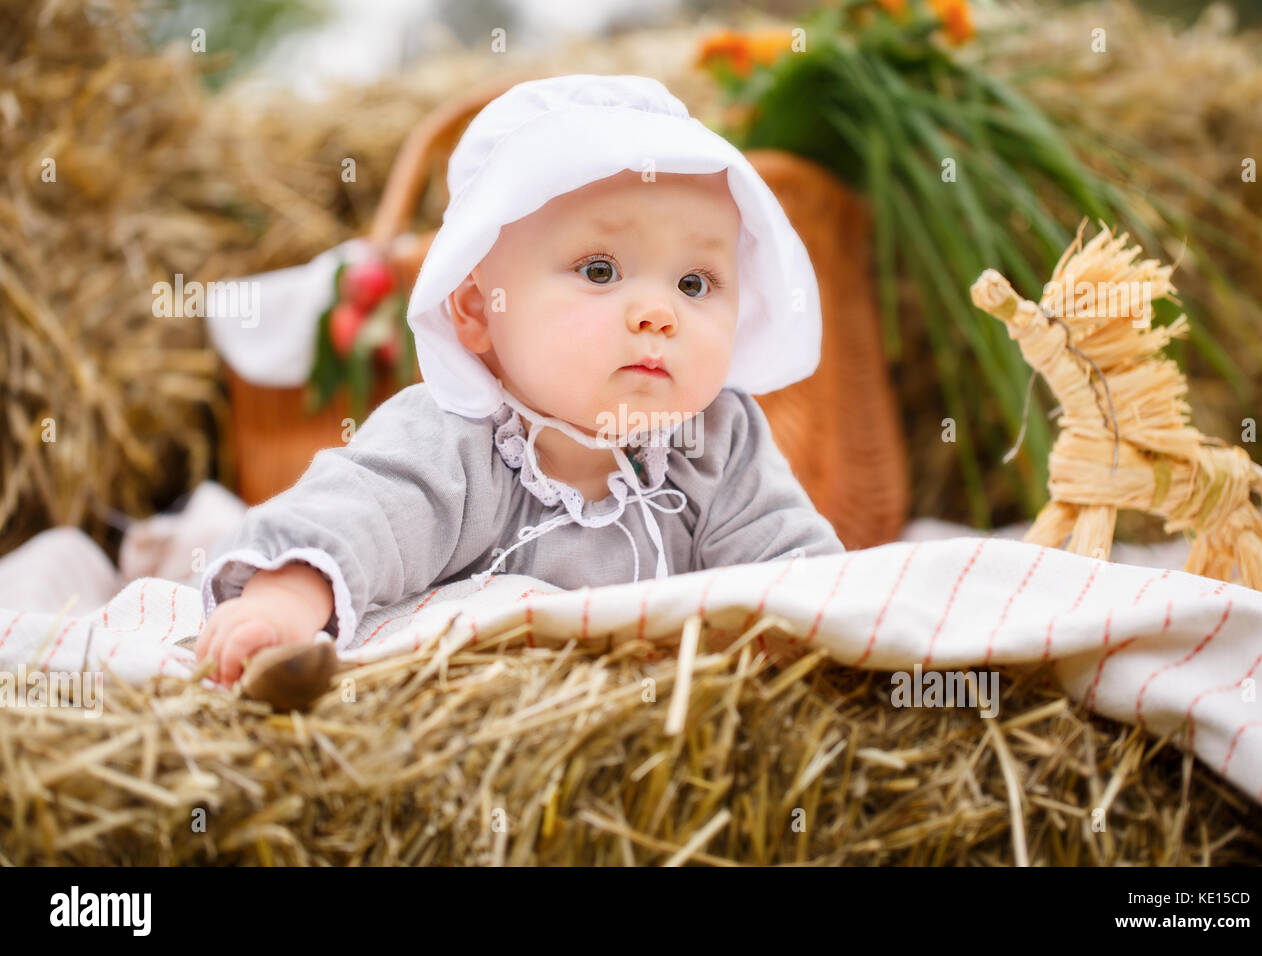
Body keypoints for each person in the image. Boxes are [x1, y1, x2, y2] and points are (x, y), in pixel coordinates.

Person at [196, 74, 844, 687]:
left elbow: (796, 567)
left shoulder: (717, 440)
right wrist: (286, 600)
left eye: (695, 283)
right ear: (479, 310)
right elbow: (362, 513)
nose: (660, 312)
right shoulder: (456, 441)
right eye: (598, 270)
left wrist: (834, 630)